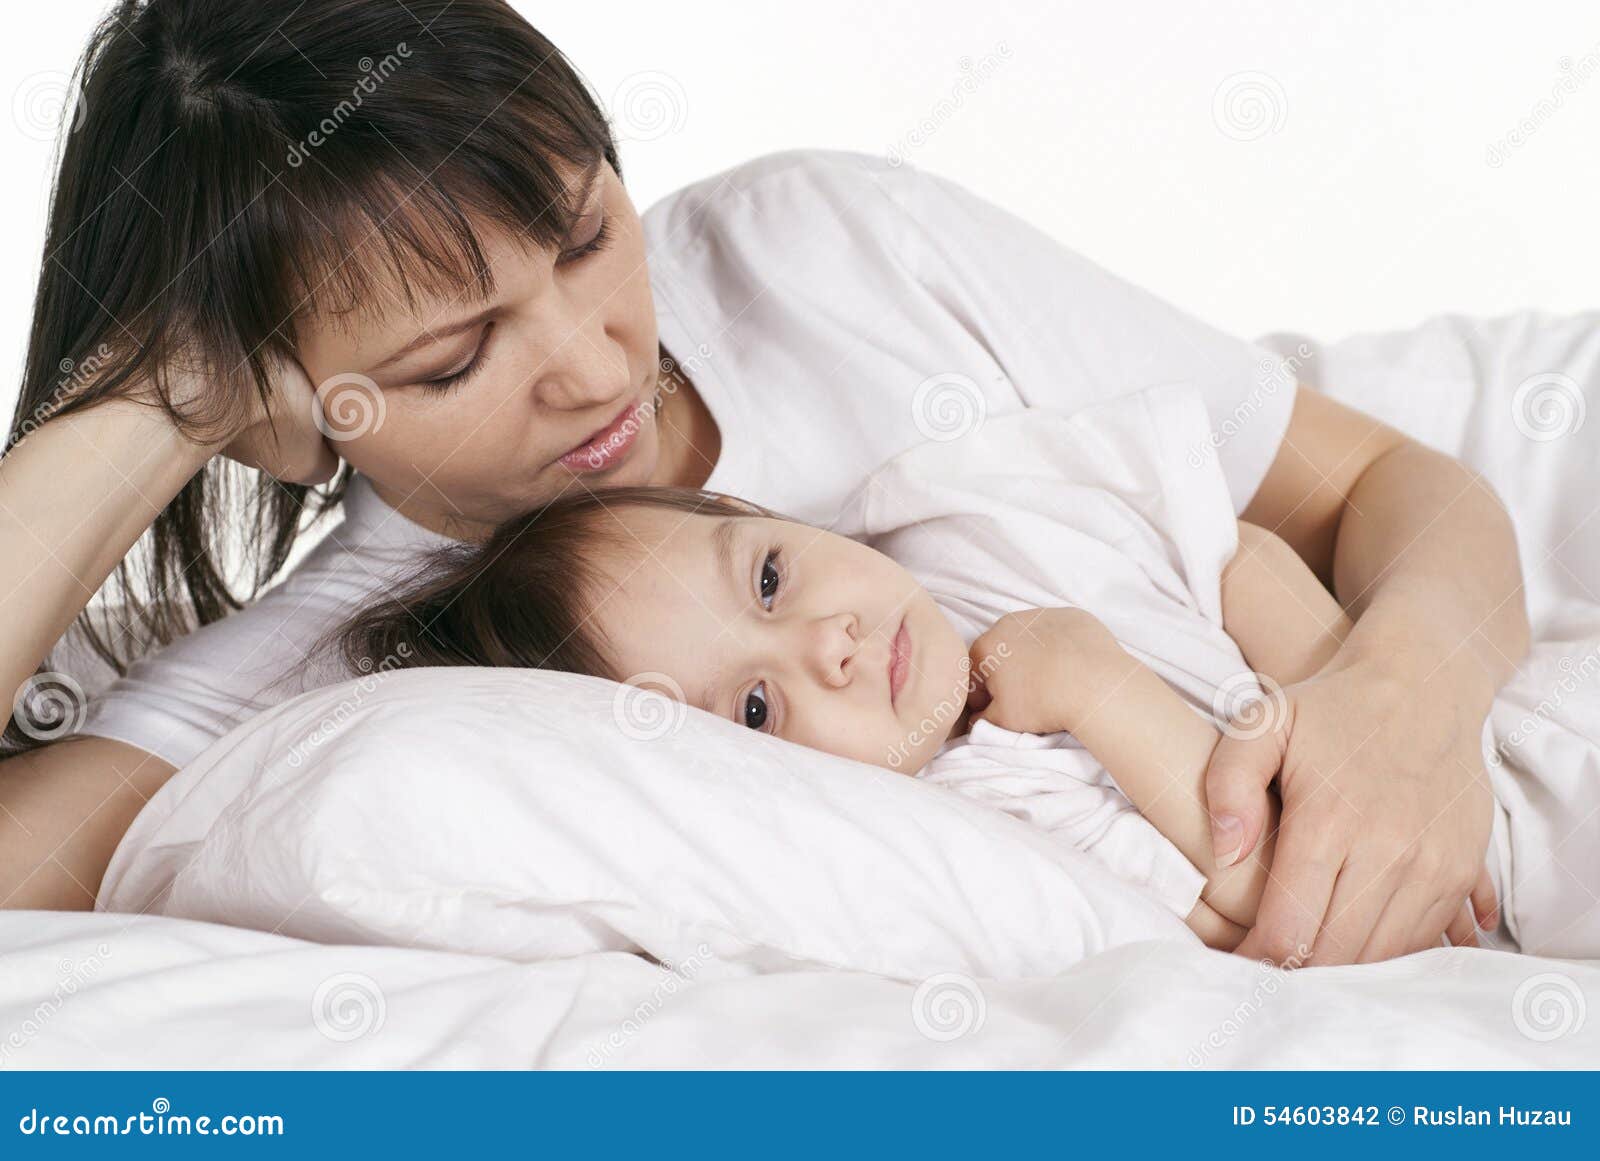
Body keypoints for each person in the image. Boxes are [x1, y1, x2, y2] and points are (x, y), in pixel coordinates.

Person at [0, 0, 1529, 967]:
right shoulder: (346, 656)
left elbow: (1386, 482)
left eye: (590, 236)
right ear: (285, 412)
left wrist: (1407, 697)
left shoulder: (821, 245)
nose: (594, 369)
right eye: (451, 359)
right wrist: (154, 401)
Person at [331, 386, 1542, 953]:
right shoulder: (978, 816)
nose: (828, 645)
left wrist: (1353, 694)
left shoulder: (957, 511)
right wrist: (1099, 689)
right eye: (757, 707)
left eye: (766, 579)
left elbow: (1252, 551)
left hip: (1507, 716)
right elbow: (1274, 907)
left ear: (756, 509)